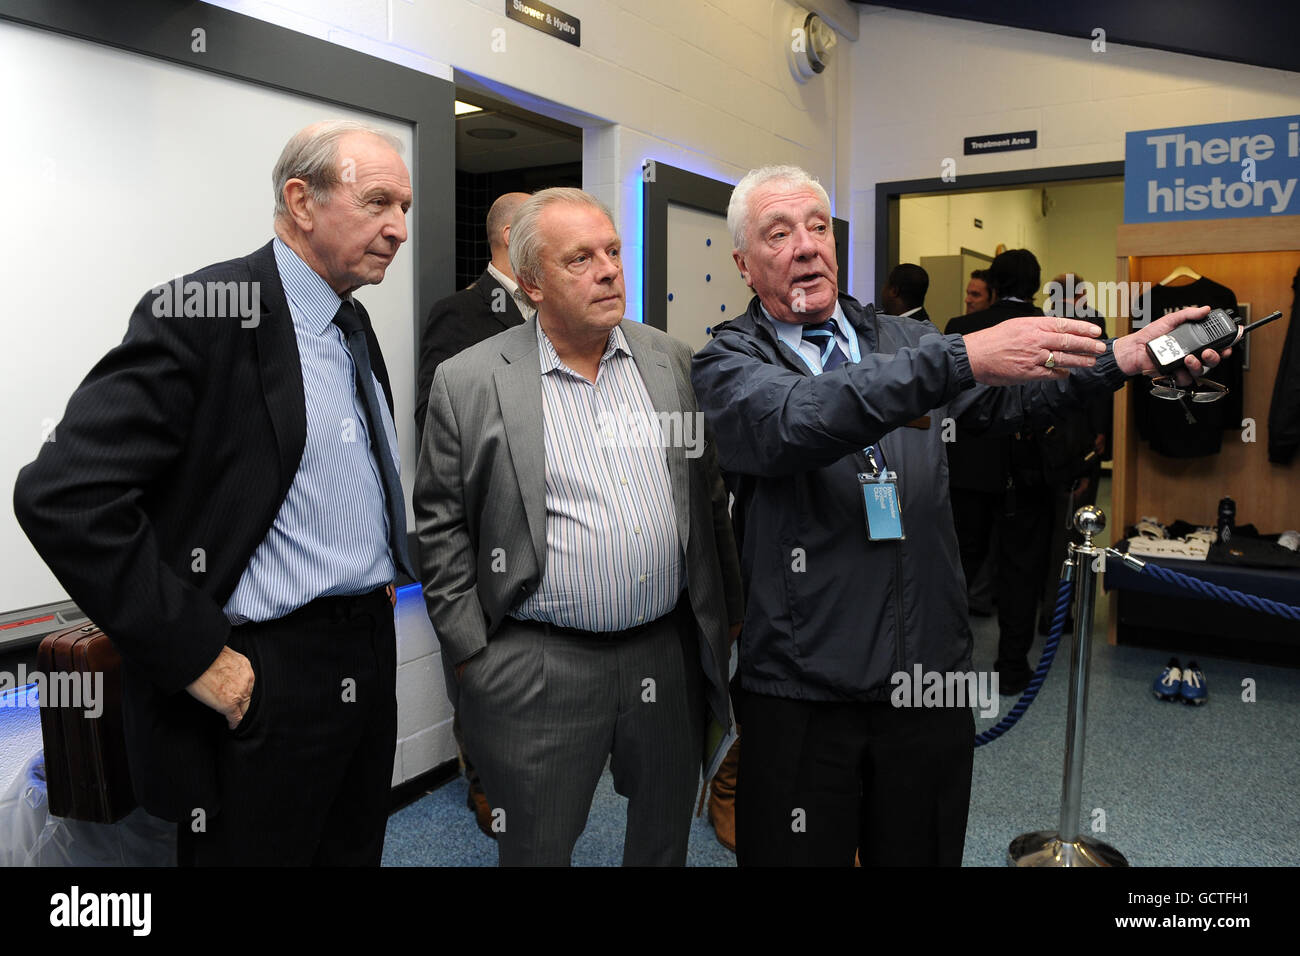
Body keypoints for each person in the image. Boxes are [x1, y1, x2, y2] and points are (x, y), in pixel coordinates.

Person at [690, 165, 1229, 867]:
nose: (806, 246)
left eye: (818, 227)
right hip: (802, 691)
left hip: (927, 680)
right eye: (779, 232)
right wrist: (960, 355)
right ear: (743, 262)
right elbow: (802, 417)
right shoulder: (729, 360)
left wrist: (1124, 359)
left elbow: (1013, 405)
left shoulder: (903, 343)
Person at [13, 120, 414, 866]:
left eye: (406, 209)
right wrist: (198, 656)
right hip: (267, 674)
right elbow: (62, 495)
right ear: (301, 200)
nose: (397, 229)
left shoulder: (351, 323)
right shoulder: (203, 314)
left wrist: (374, 565)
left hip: (364, 651)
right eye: (378, 203)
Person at [414, 187, 744, 866]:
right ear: (531, 282)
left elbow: (708, 497)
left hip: (664, 651)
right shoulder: (470, 380)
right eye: (581, 258)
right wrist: (472, 653)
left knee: (662, 840)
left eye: (613, 251)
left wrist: (726, 613)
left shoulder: (672, 363)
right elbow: (439, 524)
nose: (608, 269)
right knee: (537, 843)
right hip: (538, 662)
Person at [414, 190, 530, 837]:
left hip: (546, 522)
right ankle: (484, 783)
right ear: (511, 235)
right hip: (485, 522)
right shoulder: (458, 313)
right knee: (479, 660)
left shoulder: (551, 313)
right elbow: (433, 420)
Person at [414, 191, 532, 432]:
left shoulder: (549, 304)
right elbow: (432, 414)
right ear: (511, 236)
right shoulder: (457, 312)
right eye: (540, 231)